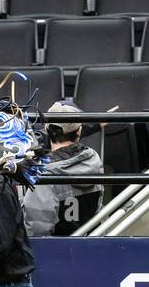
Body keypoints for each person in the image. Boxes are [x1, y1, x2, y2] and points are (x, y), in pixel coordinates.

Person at [24, 101, 104, 237]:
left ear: (47, 130)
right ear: (79, 131)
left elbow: (36, 231)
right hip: (90, 246)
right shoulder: (94, 159)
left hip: (56, 253)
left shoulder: (43, 174)